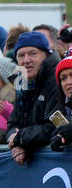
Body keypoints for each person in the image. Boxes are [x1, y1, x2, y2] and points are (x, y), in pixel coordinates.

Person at [6, 31, 60, 165]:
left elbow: (55, 126)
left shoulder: (58, 81)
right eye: (21, 56)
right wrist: (16, 142)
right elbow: (13, 123)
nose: (26, 60)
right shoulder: (21, 83)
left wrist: (20, 138)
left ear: (46, 54)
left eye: (33, 53)